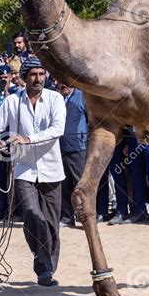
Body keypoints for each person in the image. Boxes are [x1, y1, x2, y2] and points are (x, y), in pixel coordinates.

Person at [0, 57, 66, 286]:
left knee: (51, 222)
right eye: (33, 74)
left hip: (51, 169)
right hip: (24, 169)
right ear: (24, 77)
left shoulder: (55, 99)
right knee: (32, 213)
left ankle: (47, 269)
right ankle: (41, 263)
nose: (38, 78)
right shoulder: (12, 102)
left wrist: (27, 139)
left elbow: (57, 129)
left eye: (42, 74)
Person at [57, 82, 88, 227]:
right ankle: (67, 217)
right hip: (60, 148)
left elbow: (91, 120)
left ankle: (85, 217)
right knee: (64, 184)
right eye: (60, 82)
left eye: (66, 82)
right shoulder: (56, 98)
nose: (64, 85)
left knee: (81, 186)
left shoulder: (81, 97)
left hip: (78, 148)